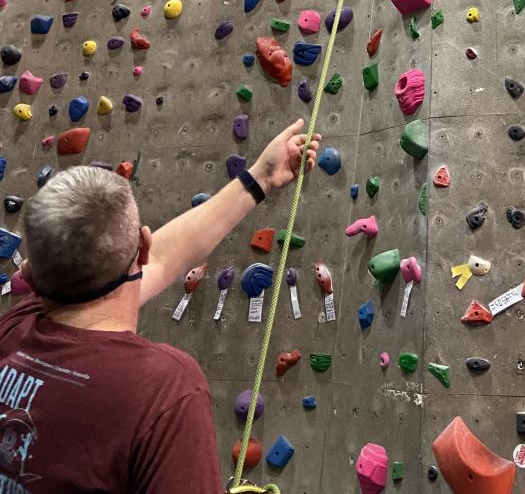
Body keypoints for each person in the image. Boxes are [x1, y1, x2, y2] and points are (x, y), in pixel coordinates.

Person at [0, 117, 320, 493]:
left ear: (30, 272)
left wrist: (259, 178)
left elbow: (165, 258)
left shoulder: (14, 329)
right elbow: (156, 259)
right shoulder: (162, 390)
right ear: (143, 247)